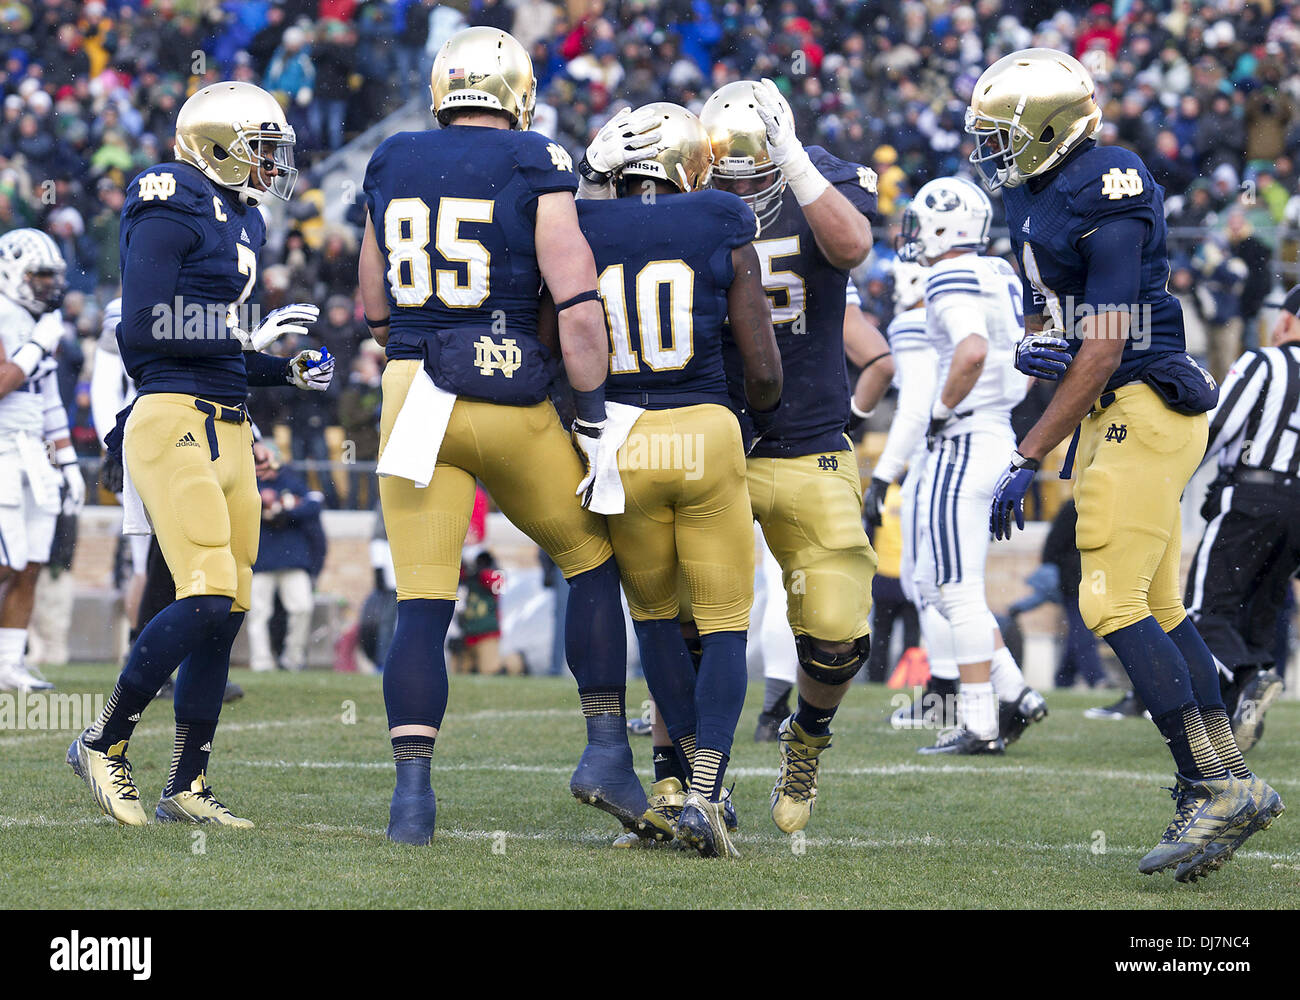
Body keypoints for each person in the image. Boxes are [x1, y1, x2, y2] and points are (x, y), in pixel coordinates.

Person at [973, 48, 1282, 883]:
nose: (993, 153)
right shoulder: (1043, 195)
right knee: (1157, 602)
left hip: (1140, 411)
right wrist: (1054, 346)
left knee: (1107, 601)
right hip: (1125, 409)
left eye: (1004, 136)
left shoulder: (1107, 179)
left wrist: (1027, 450)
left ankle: (1215, 783)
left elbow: (1109, 342)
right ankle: (1221, 780)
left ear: (1048, 130)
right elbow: (1082, 330)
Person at [361, 26, 641, 845]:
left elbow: (374, 306)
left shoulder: (389, 159)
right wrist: (590, 414)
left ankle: (412, 800)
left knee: (423, 600)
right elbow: (577, 300)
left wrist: (420, 333)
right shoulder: (537, 159)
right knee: (591, 562)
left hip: (415, 387)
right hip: (508, 379)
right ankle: (603, 749)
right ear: (516, 93)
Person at [68, 81, 332, 829]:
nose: (271, 165)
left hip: (228, 424)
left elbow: (223, 351)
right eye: (260, 149)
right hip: (171, 415)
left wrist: (282, 368)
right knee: (207, 591)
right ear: (218, 143)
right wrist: (244, 337)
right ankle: (103, 739)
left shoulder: (242, 216)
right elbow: (146, 328)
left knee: (229, 609)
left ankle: (187, 783)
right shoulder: (166, 194)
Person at [574, 103, 781, 856]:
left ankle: (685, 785)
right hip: (703, 428)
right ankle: (705, 794)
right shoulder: (721, 216)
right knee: (725, 623)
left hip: (621, 439)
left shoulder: (582, 224)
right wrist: (756, 414)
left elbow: (561, 330)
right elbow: (761, 365)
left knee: (656, 619)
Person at [699, 78, 877, 834]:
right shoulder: (685, 184)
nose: (740, 186)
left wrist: (795, 158)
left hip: (810, 440)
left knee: (836, 634)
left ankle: (805, 742)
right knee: (691, 621)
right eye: (726, 173)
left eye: (755, 169)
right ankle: (692, 777)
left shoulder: (821, 175)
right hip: (713, 434)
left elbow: (853, 246)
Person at [881, 176, 1048, 755]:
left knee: (955, 587)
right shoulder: (999, 272)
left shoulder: (950, 274)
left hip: (964, 438)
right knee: (937, 581)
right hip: (994, 431)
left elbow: (972, 350)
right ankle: (1015, 693)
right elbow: (1027, 356)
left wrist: (941, 409)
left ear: (941, 223)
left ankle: (980, 724)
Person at [1183, 284, 1300, 753]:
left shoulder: (1263, 362)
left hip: (1253, 495)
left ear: (1286, 321)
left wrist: (1172, 479)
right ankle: (1236, 722)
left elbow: (1218, 423)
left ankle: (1251, 678)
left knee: (1205, 608)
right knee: (1258, 615)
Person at [0, 229, 84, 693]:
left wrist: (68, 464)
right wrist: (36, 345)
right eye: (38, 274)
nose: (48, 284)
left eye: (52, 276)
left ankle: (9, 664)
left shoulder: (40, 320)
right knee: (7, 563)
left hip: (33, 452)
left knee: (30, 564)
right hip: (2, 451)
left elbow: (48, 400)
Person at [247, 454, 324, 673]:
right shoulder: (249, 482)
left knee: (302, 607)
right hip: (260, 559)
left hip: (293, 559)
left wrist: (283, 508)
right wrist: (262, 502)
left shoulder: (290, 481)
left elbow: (314, 504)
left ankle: (293, 658)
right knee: (259, 613)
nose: (265, 467)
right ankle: (261, 662)